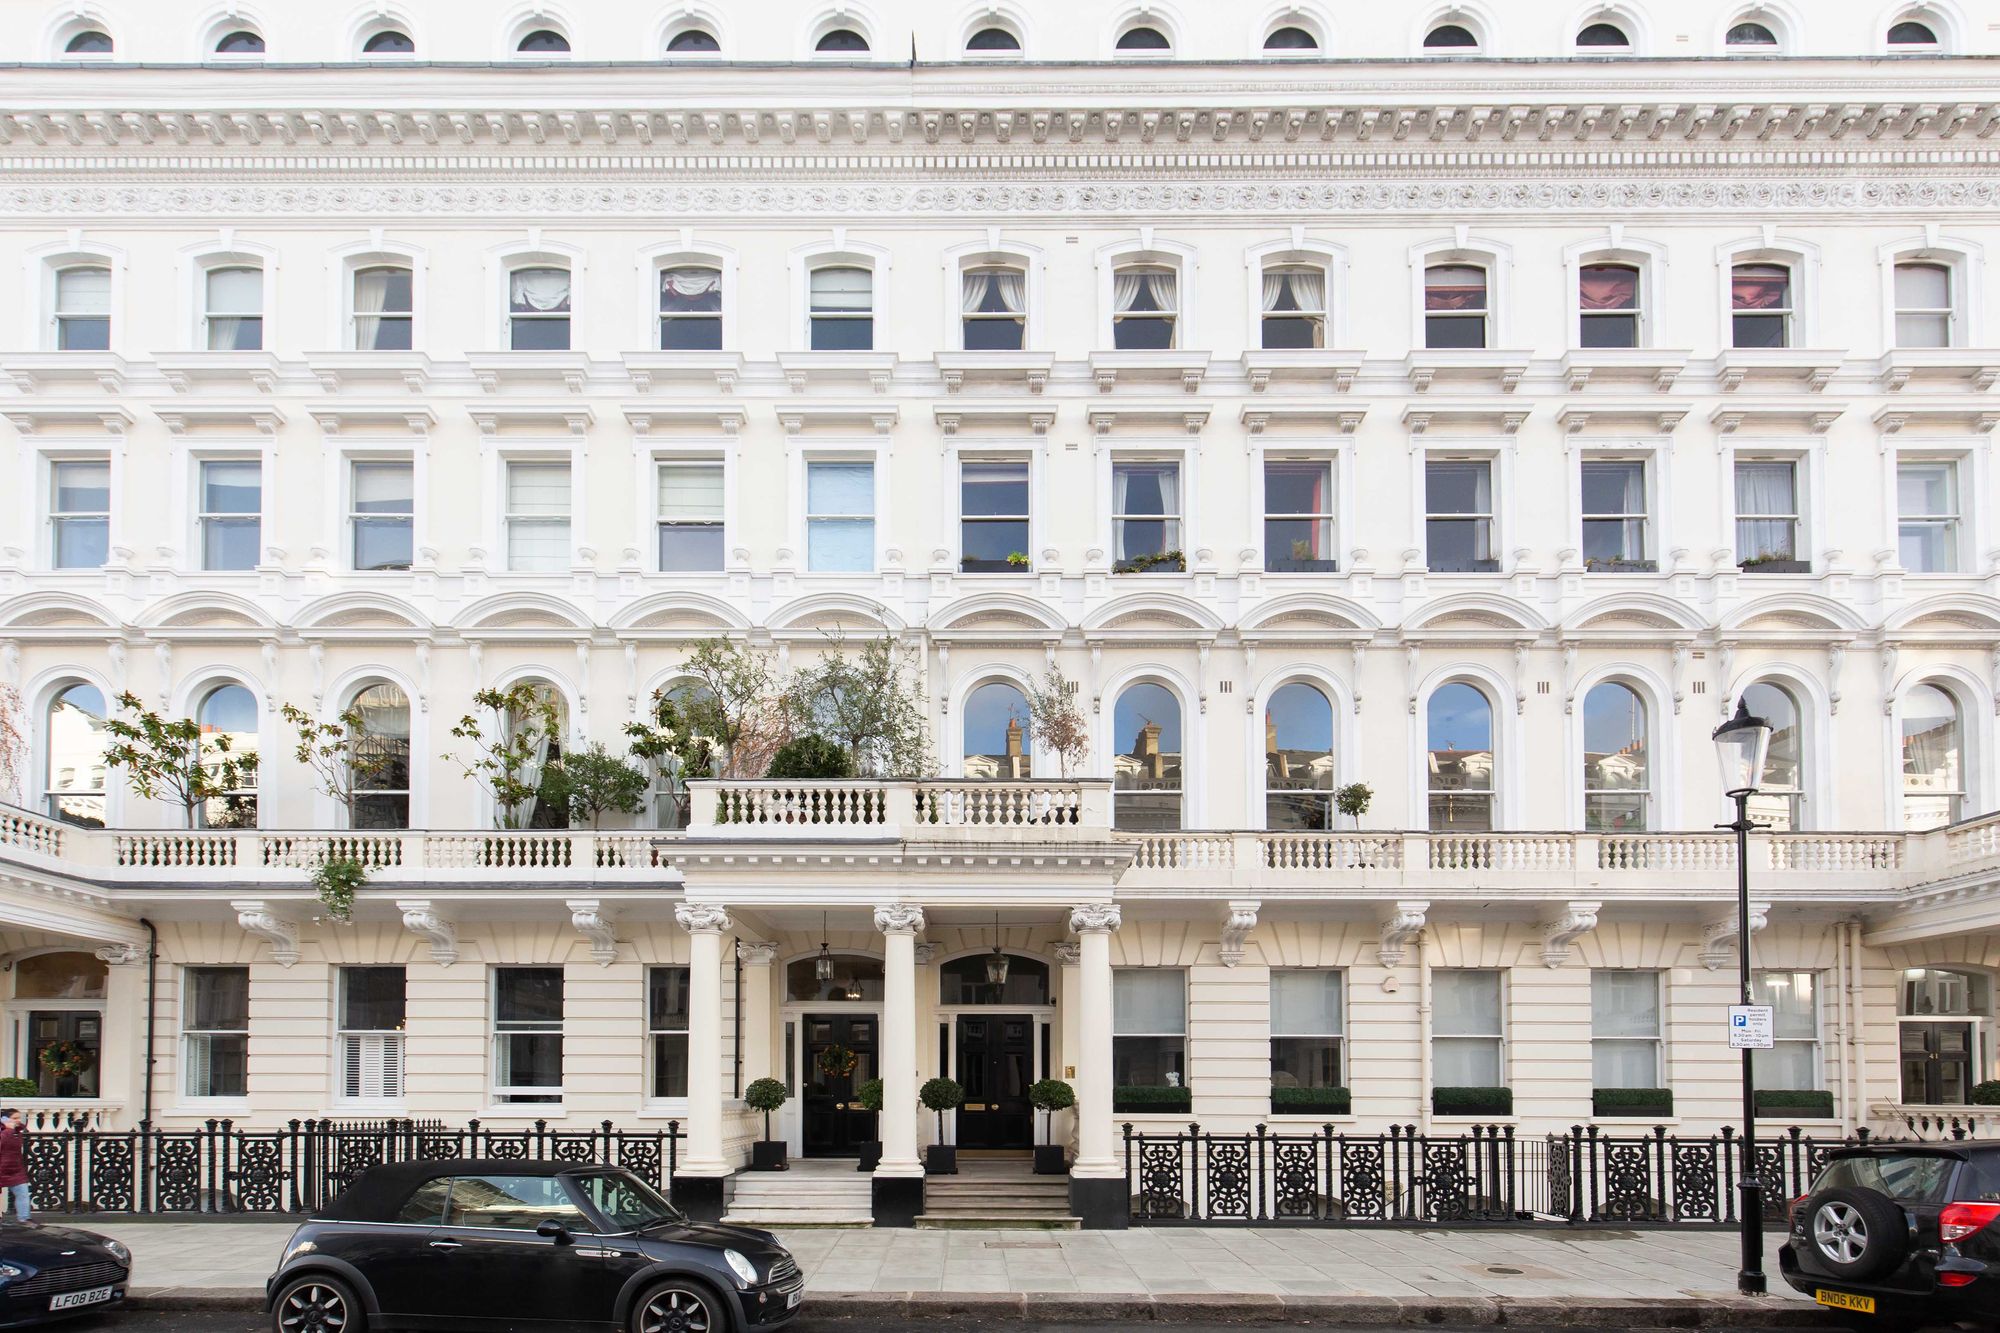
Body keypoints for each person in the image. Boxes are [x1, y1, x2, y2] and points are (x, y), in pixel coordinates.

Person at [0, 1110, 33, 1226]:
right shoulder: (5, 1133)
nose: (18, 1120)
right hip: (1, 1169)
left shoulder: (16, 1133)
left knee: (23, 1193)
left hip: (15, 1170)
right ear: (5, 1119)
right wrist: (8, 1129)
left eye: (19, 1117)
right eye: (15, 1118)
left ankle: (24, 1219)